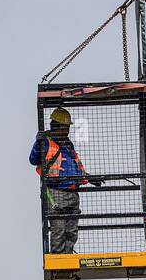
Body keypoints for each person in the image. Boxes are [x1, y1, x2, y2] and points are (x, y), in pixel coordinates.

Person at [30, 108, 102, 254]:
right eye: (65, 127)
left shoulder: (68, 145)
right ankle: (58, 257)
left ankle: (67, 256)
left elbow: (74, 168)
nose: (68, 131)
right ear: (56, 126)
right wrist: (38, 144)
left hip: (72, 193)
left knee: (71, 230)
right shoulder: (46, 143)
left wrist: (89, 178)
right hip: (55, 193)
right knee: (59, 229)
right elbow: (33, 160)